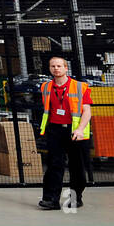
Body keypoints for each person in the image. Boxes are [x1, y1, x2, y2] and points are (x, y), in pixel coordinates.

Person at [37, 56, 92, 210]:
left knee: (77, 166)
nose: (56, 68)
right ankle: (51, 199)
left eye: (59, 66)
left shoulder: (80, 87)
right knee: (54, 164)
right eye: (53, 66)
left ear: (66, 68)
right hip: (55, 130)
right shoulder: (46, 87)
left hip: (75, 131)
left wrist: (80, 129)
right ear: (49, 68)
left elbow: (87, 111)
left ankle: (75, 198)